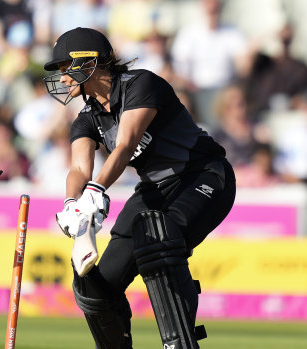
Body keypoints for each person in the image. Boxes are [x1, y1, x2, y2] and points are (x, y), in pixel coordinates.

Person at [44, 27, 236, 349]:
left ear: (88, 63)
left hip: (203, 175)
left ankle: (179, 344)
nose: (62, 78)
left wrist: (96, 191)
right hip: (156, 188)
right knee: (95, 285)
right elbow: (79, 168)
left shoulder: (142, 84)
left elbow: (125, 144)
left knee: (159, 239)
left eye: (65, 68)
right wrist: (72, 203)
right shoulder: (86, 119)